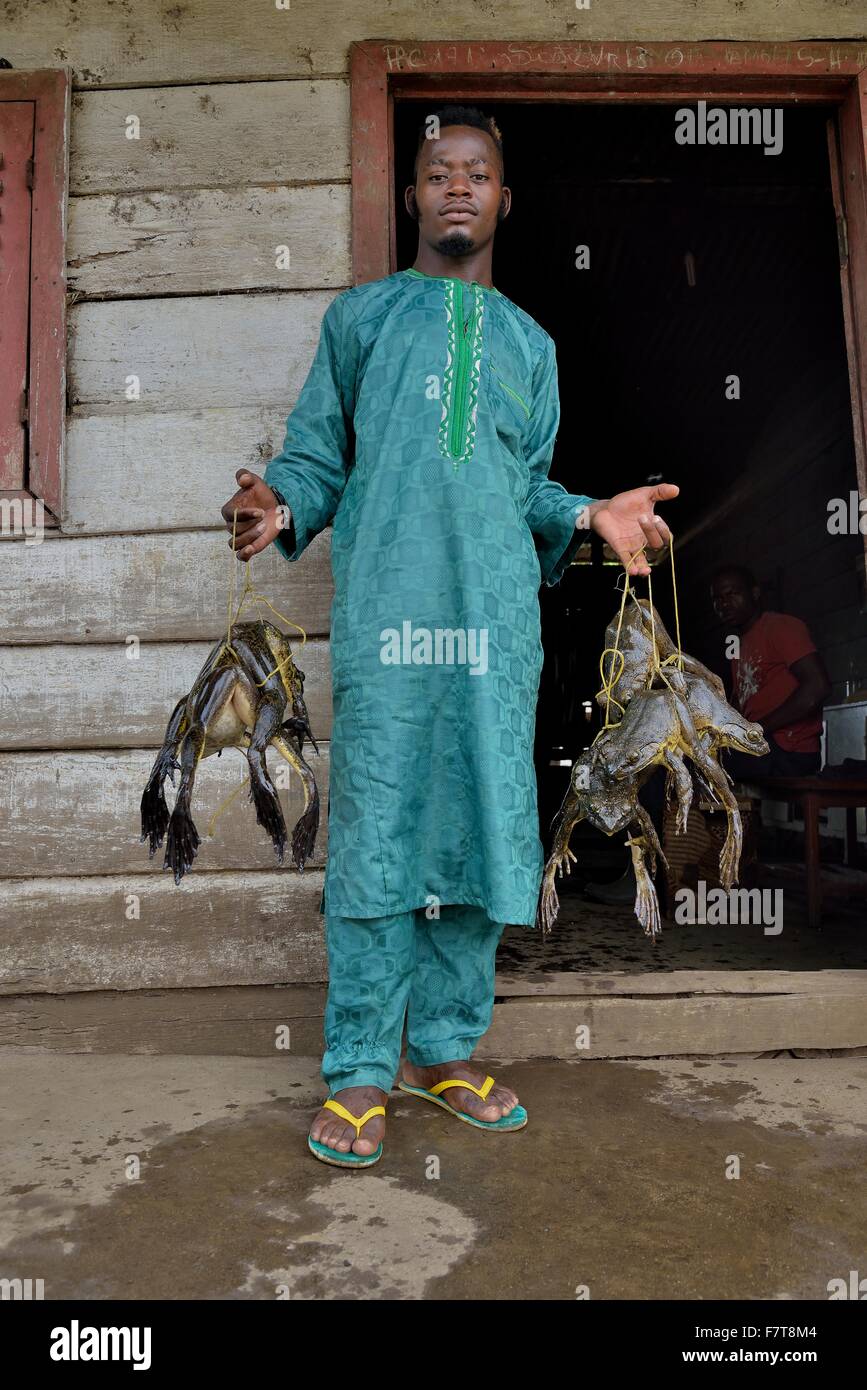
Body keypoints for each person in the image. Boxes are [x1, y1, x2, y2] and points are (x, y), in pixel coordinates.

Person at [220, 105, 678, 1167]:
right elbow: (315, 456)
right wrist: (280, 503)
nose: (458, 187)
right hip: (390, 615)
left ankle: (445, 1046)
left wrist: (590, 515)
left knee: (482, 821)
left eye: (477, 173)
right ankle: (360, 1068)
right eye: (438, 173)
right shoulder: (363, 321)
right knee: (382, 826)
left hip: (495, 626)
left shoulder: (530, 343)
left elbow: (527, 486)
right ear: (415, 195)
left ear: (504, 198)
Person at [710, 565, 831, 780]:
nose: (724, 604)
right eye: (717, 599)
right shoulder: (739, 644)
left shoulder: (781, 627)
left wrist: (757, 729)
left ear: (754, 593)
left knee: (700, 764)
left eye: (732, 594)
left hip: (790, 751)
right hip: (761, 747)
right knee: (690, 753)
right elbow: (741, 701)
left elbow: (818, 687)